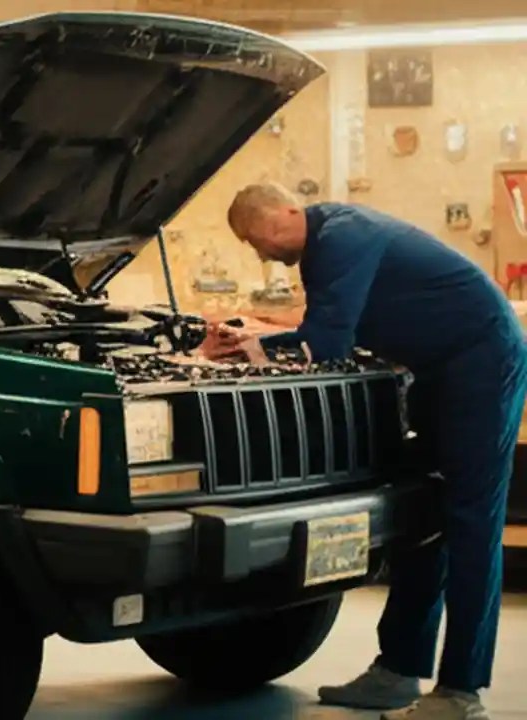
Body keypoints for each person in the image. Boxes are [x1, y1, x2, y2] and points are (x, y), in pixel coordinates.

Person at [210, 183, 527, 720]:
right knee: (423, 518)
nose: (260, 252)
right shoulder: (322, 248)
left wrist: (262, 344)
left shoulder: (341, 237)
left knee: (471, 524)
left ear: (288, 212)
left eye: (257, 236)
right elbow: (327, 331)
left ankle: (461, 691)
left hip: (483, 364)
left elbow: (326, 344)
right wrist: (259, 342)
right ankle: (399, 670)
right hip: (436, 371)